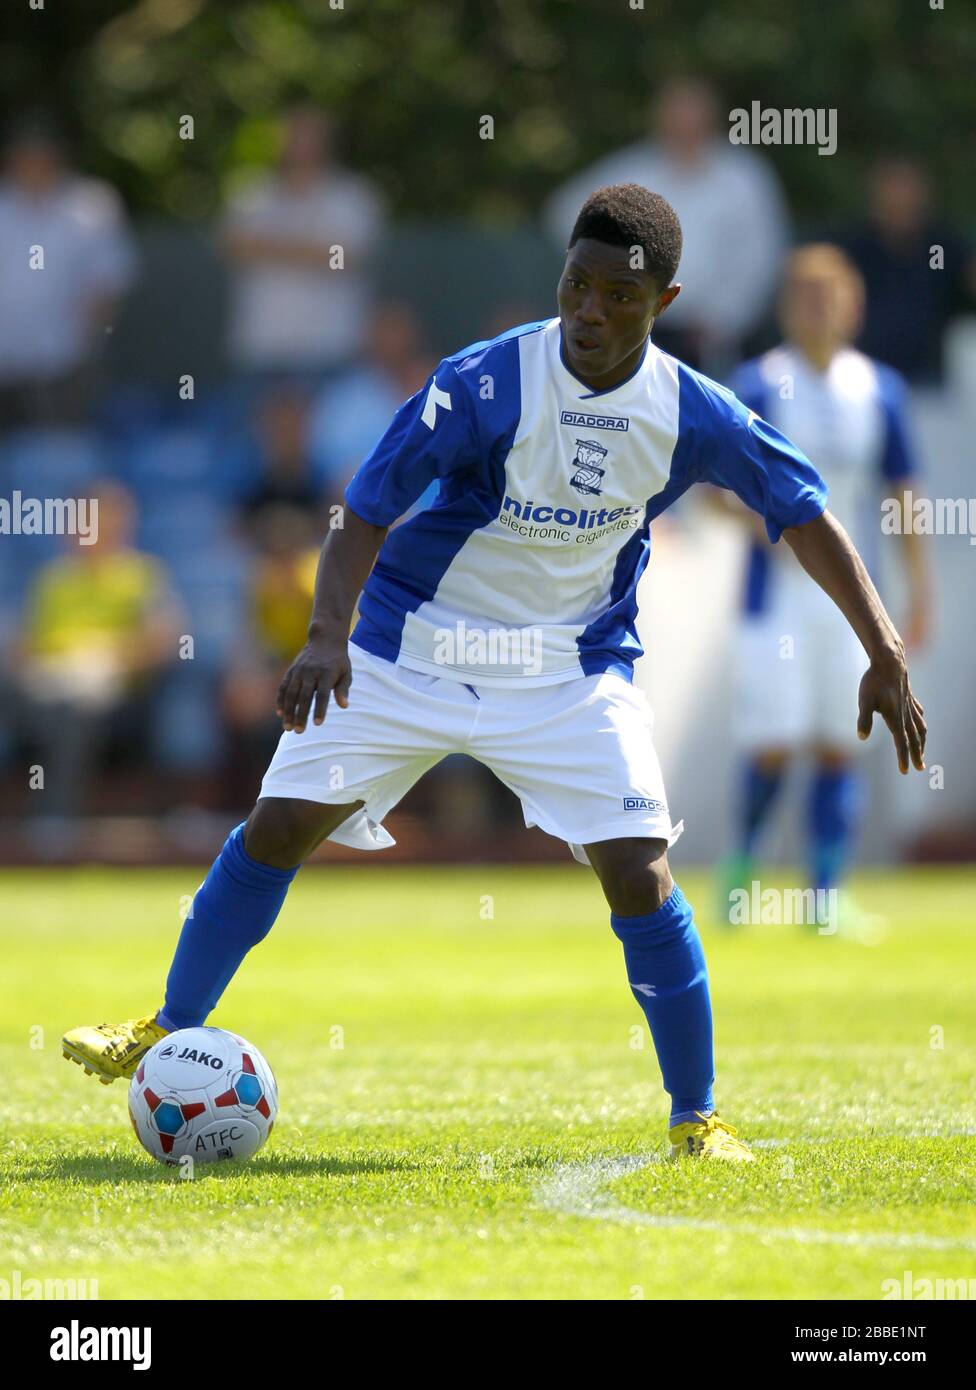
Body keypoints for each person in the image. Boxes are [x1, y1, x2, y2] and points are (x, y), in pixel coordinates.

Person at [63, 185, 926, 1163]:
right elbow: (367, 506)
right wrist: (324, 633)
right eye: (576, 283)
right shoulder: (483, 382)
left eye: (618, 295)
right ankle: (168, 1024)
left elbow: (804, 511)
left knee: (640, 875)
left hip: (567, 670)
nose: (590, 311)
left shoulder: (693, 410)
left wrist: (883, 648)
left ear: (665, 301)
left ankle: (697, 1116)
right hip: (407, 646)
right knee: (279, 824)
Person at [716, 245, 930, 930]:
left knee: (843, 740)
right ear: (786, 305)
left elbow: (901, 492)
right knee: (773, 742)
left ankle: (824, 898)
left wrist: (918, 588)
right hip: (772, 596)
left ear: (852, 305)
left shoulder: (879, 390)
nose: (817, 307)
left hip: (850, 599)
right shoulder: (755, 383)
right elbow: (713, 486)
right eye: (804, 294)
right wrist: (761, 528)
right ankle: (743, 878)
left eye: (829, 294)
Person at [544, 78, 788, 371]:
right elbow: (563, 213)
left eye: (693, 121)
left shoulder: (743, 177)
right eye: (675, 120)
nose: (684, 131)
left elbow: (760, 258)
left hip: (712, 335)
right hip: (635, 321)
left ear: (710, 121)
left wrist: (723, 319)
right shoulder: (635, 169)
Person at [221, 106, 384, 382]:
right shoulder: (251, 193)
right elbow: (232, 248)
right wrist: (310, 249)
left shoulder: (352, 197)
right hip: (262, 347)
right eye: (294, 136)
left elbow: (344, 260)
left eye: (309, 136)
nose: (301, 145)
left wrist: (268, 246)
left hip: (331, 346)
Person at [0, 116, 136, 429]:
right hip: (4, 355)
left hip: (65, 356)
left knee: (59, 446)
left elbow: (110, 279)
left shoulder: (91, 204)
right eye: (24, 156)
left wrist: (87, 345)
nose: (32, 164)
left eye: (40, 156)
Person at [838, 157, 976, 386]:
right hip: (864, 382)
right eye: (890, 188)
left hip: (932, 384)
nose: (898, 199)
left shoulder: (941, 247)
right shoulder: (855, 249)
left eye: (906, 188)